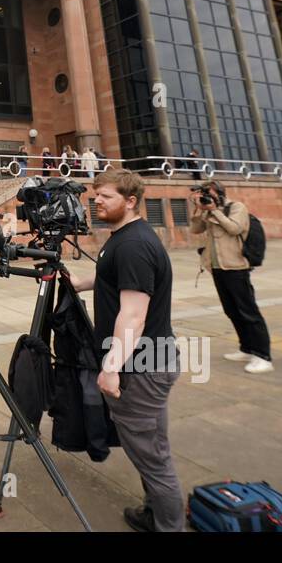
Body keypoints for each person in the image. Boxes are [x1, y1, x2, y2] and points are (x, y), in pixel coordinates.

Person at [72, 169, 183, 532]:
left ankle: (169, 527)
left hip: (141, 367)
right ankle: (156, 513)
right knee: (152, 449)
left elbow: (134, 315)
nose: (96, 202)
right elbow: (114, 277)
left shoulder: (134, 245)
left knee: (153, 458)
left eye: (105, 196)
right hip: (148, 362)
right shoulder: (123, 238)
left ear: (130, 200)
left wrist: (111, 367)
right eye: (95, 196)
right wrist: (82, 282)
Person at [189, 180, 272, 374]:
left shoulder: (236, 207)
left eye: (209, 193)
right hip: (217, 268)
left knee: (248, 311)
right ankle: (246, 348)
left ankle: (263, 356)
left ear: (220, 193)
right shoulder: (207, 210)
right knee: (231, 310)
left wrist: (215, 210)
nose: (207, 197)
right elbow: (195, 230)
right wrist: (200, 210)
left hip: (236, 267)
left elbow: (235, 228)